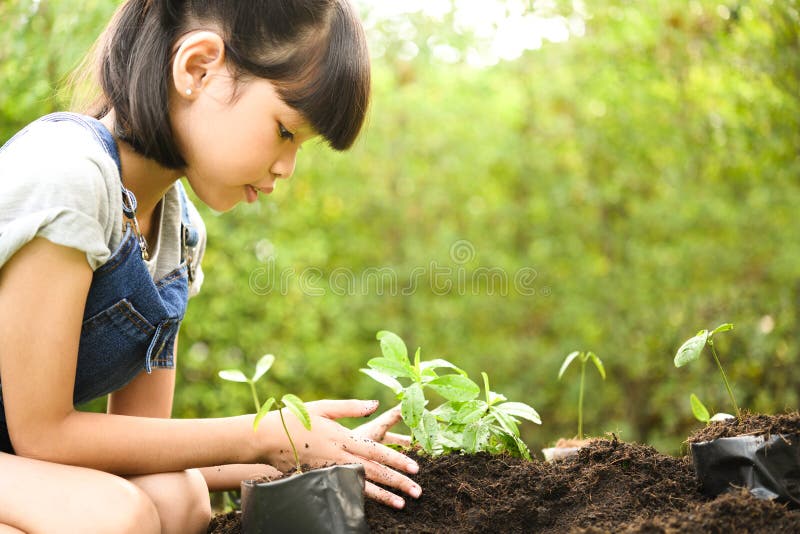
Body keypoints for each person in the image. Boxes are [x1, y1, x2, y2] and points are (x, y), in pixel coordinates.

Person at [0, 1, 422, 532]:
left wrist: (310, 446)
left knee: (178, 498)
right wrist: (263, 431)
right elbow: (44, 434)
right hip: (28, 447)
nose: (286, 168)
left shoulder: (179, 230)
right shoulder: (68, 174)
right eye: (285, 130)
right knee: (113, 515)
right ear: (197, 68)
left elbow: (141, 442)